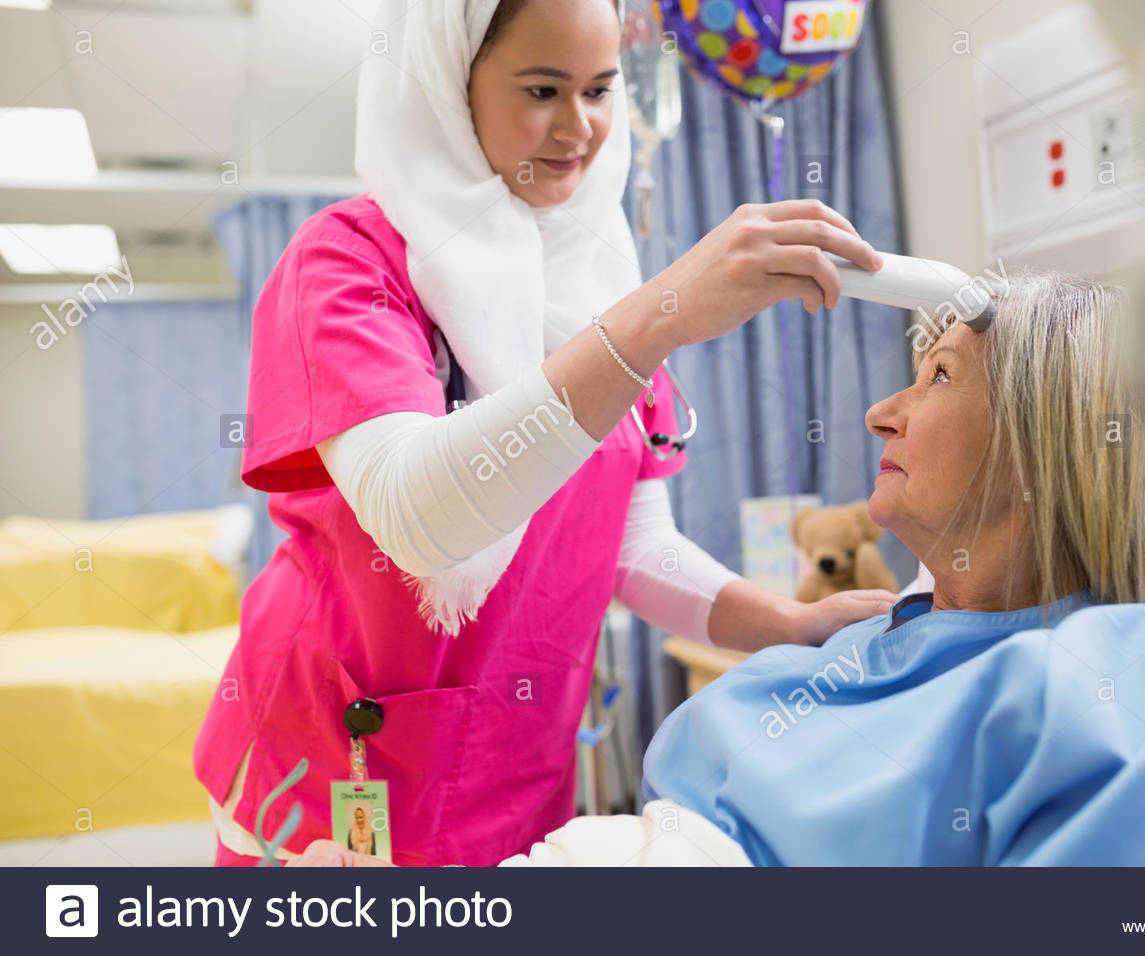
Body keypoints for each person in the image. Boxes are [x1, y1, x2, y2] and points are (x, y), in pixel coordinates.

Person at [195, 0, 891, 867]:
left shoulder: (601, 283)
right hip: (335, 781)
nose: (581, 127)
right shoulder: (347, 263)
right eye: (542, 89)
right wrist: (651, 323)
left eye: (600, 90)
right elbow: (419, 517)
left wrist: (785, 624)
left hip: (511, 777)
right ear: (452, 88)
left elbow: (630, 544)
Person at [290, 270, 1145, 867]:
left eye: (938, 376)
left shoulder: (1132, 682)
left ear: (1043, 446)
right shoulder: (881, 633)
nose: (880, 411)